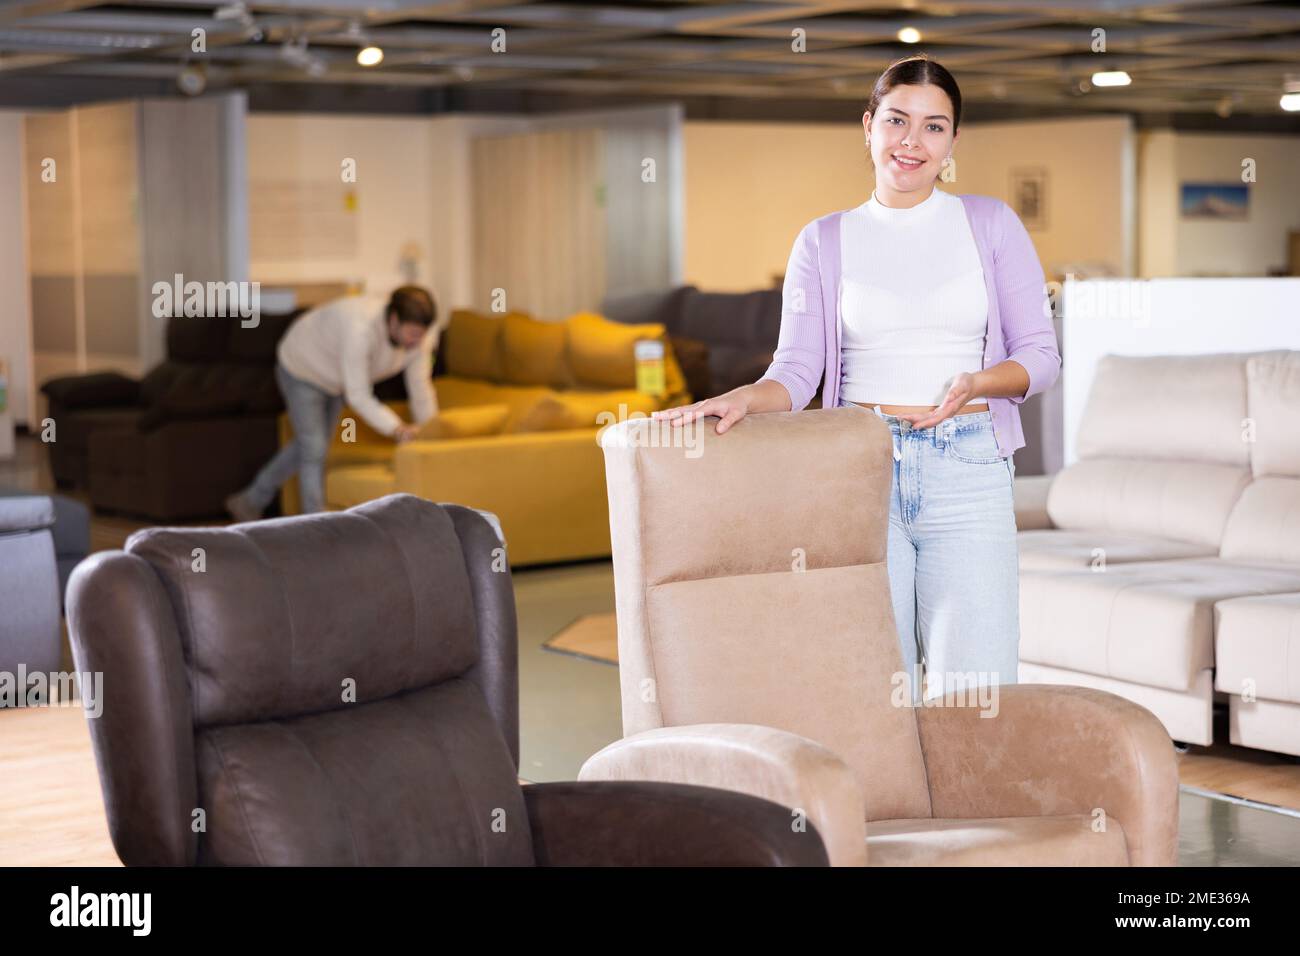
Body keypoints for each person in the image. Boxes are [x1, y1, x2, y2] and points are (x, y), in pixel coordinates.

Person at [651, 54, 1061, 704]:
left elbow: (1041, 358)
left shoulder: (990, 225)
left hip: (969, 470)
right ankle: (883, 809)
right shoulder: (824, 241)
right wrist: (743, 398)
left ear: (953, 142)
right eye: (897, 120)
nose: (912, 141)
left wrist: (976, 383)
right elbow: (795, 371)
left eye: (933, 127)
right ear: (868, 126)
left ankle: (971, 811)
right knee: (876, 686)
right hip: (863, 469)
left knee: (977, 691)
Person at [225, 285, 439, 520]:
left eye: (421, 334)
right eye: (412, 333)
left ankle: (248, 501)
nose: (416, 341)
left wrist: (430, 430)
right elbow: (358, 395)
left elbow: (420, 387)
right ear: (395, 319)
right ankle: (315, 526)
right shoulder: (360, 330)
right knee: (314, 447)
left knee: (310, 446)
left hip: (337, 378)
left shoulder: (420, 340)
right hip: (303, 366)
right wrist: (396, 428)